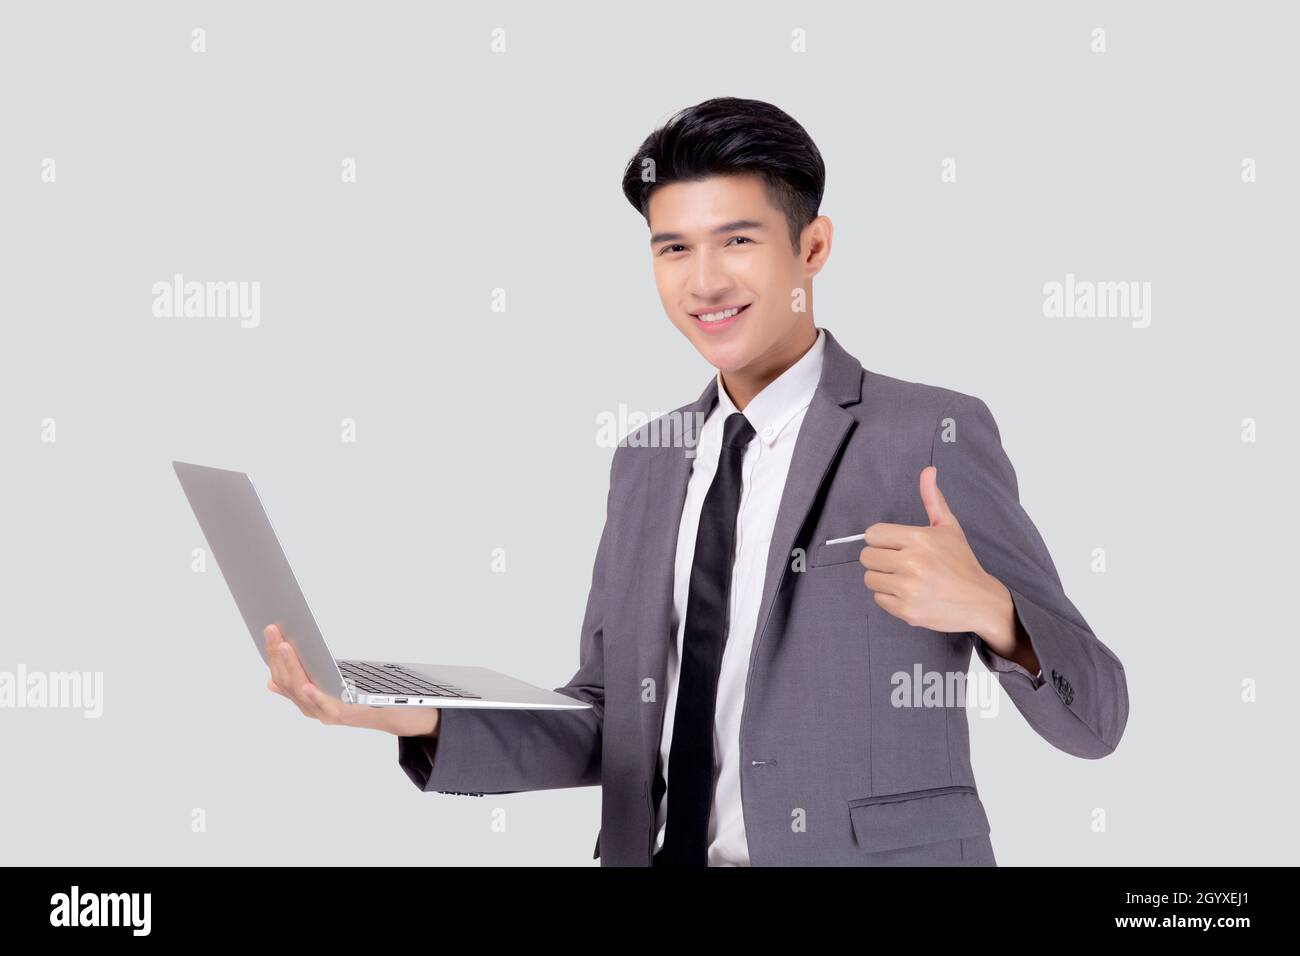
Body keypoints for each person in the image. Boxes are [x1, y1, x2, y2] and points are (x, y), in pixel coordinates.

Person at [263, 96, 1129, 867]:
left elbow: (1098, 721)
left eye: (738, 241)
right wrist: (407, 716)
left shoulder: (925, 434)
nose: (704, 282)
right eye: (673, 248)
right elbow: (610, 723)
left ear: (813, 246)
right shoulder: (647, 459)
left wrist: (994, 614)